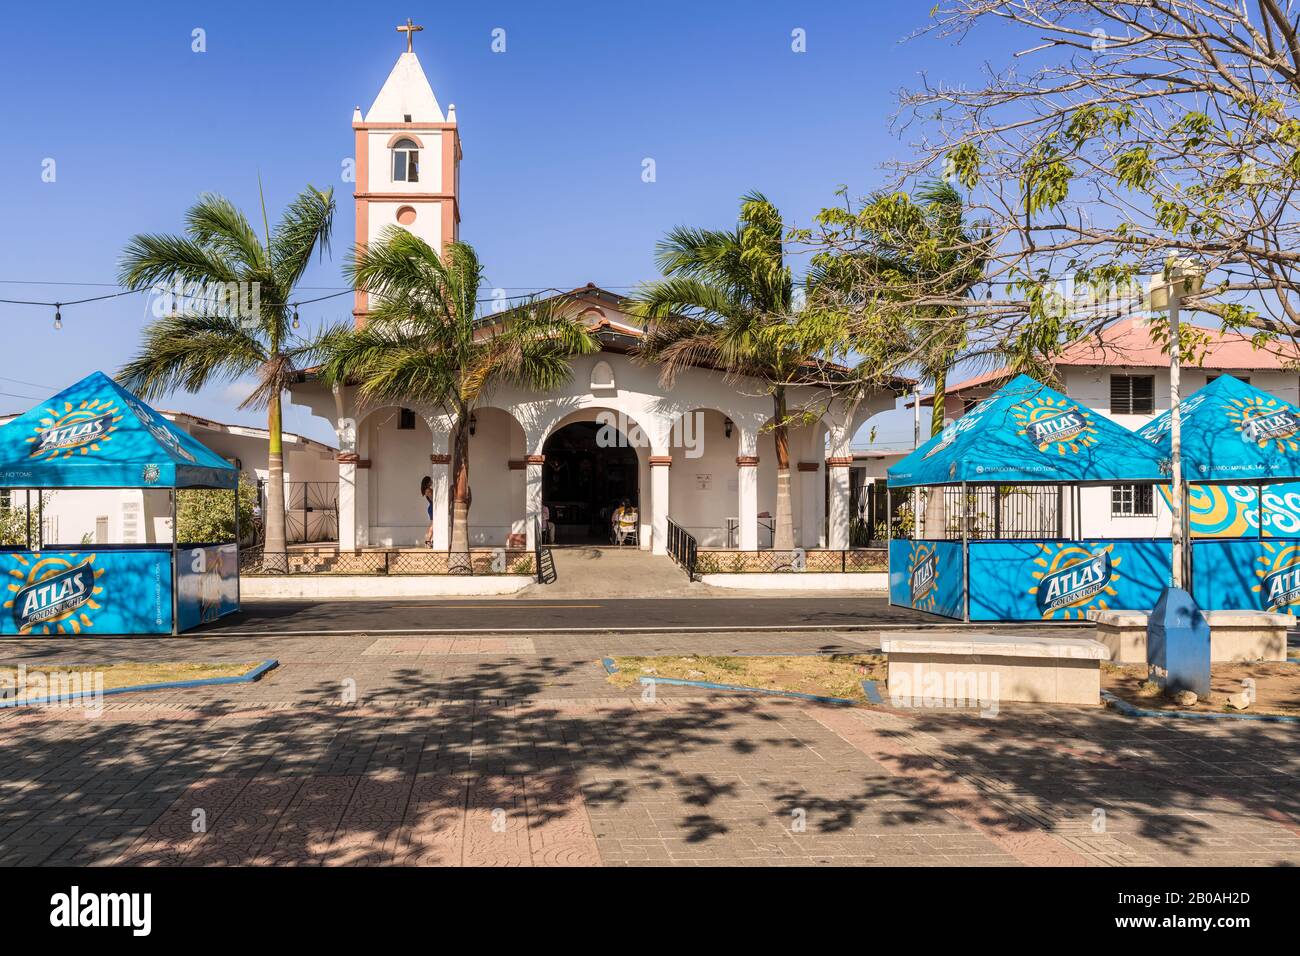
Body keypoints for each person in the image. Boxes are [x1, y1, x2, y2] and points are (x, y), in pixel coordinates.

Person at [420, 476, 434, 547]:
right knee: (433, 524)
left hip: (431, 507)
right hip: (432, 507)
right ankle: (428, 541)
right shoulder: (429, 490)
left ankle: (429, 540)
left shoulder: (426, 490)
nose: (432, 482)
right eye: (430, 481)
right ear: (428, 482)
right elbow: (433, 500)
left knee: (432, 524)